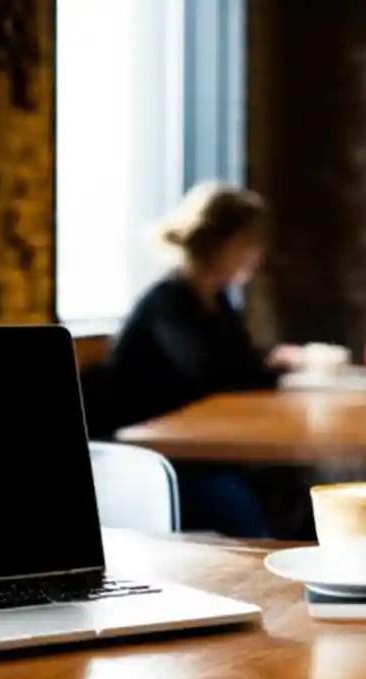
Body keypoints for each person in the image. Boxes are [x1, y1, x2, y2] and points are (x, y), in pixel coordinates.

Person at [103, 182, 302, 537]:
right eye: (247, 242)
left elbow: (243, 370)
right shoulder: (169, 303)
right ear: (216, 241)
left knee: (289, 486)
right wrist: (264, 372)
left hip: (202, 449)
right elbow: (213, 380)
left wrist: (268, 368)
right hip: (155, 461)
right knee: (247, 507)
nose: (255, 255)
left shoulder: (217, 300)